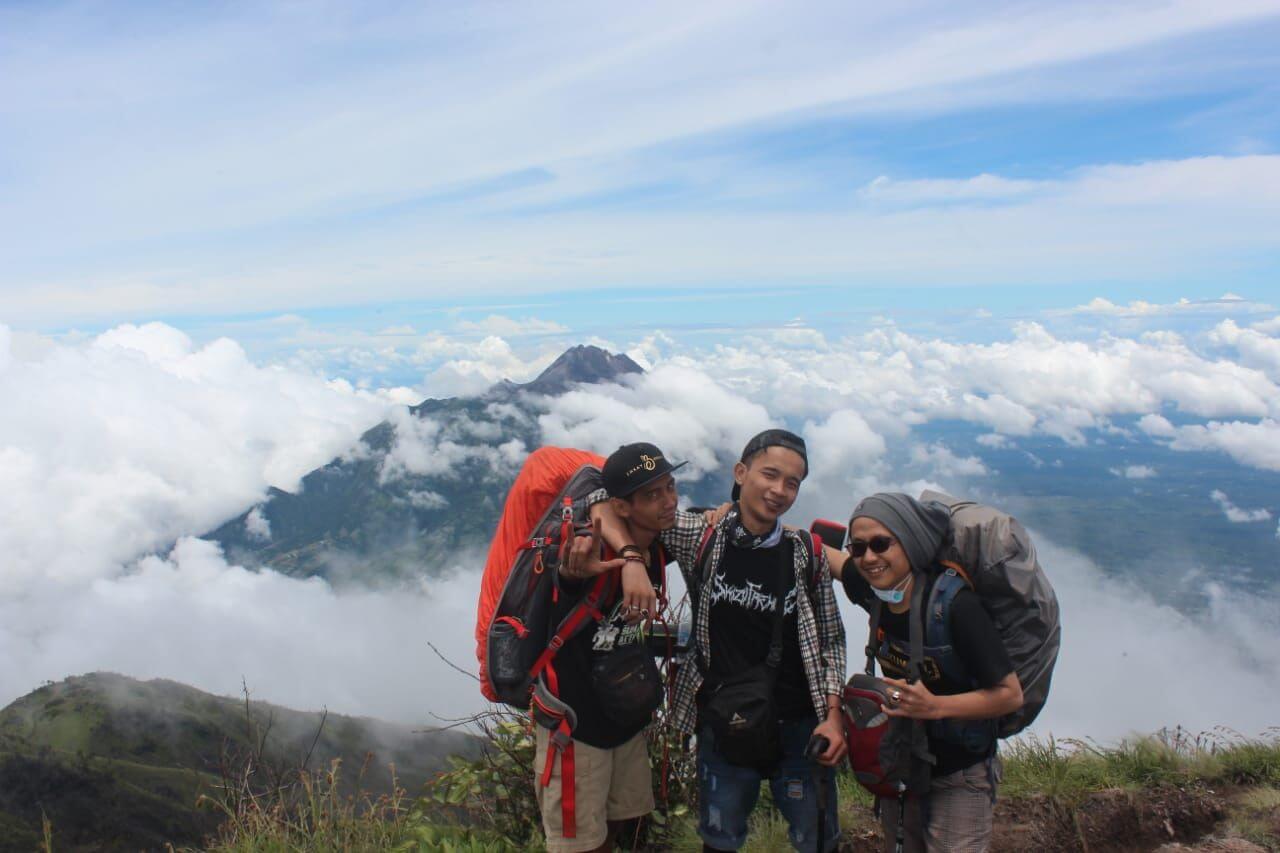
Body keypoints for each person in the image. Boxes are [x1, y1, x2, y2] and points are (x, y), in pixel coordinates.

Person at [588, 429, 846, 853]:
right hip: (724, 722)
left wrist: (832, 717)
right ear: (741, 473)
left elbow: (831, 640)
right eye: (770, 474)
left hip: (800, 723)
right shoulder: (699, 536)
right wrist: (632, 560)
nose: (780, 490)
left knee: (818, 840)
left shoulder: (806, 554)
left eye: (793, 482)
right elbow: (597, 498)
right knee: (719, 840)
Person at [827, 493, 1023, 853]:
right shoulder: (875, 589)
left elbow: (1010, 694)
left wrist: (934, 707)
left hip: (959, 771)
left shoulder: (957, 608)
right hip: (900, 764)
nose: (869, 557)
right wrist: (734, 511)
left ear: (910, 541)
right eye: (858, 548)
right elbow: (823, 553)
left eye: (881, 544)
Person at [535, 442, 684, 853]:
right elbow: (568, 572)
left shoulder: (656, 545)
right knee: (582, 843)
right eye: (652, 495)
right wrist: (571, 570)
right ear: (622, 507)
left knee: (625, 824)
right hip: (577, 730)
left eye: (671, 487)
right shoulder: (591, 553)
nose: (669, 502)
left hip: (625, 720)